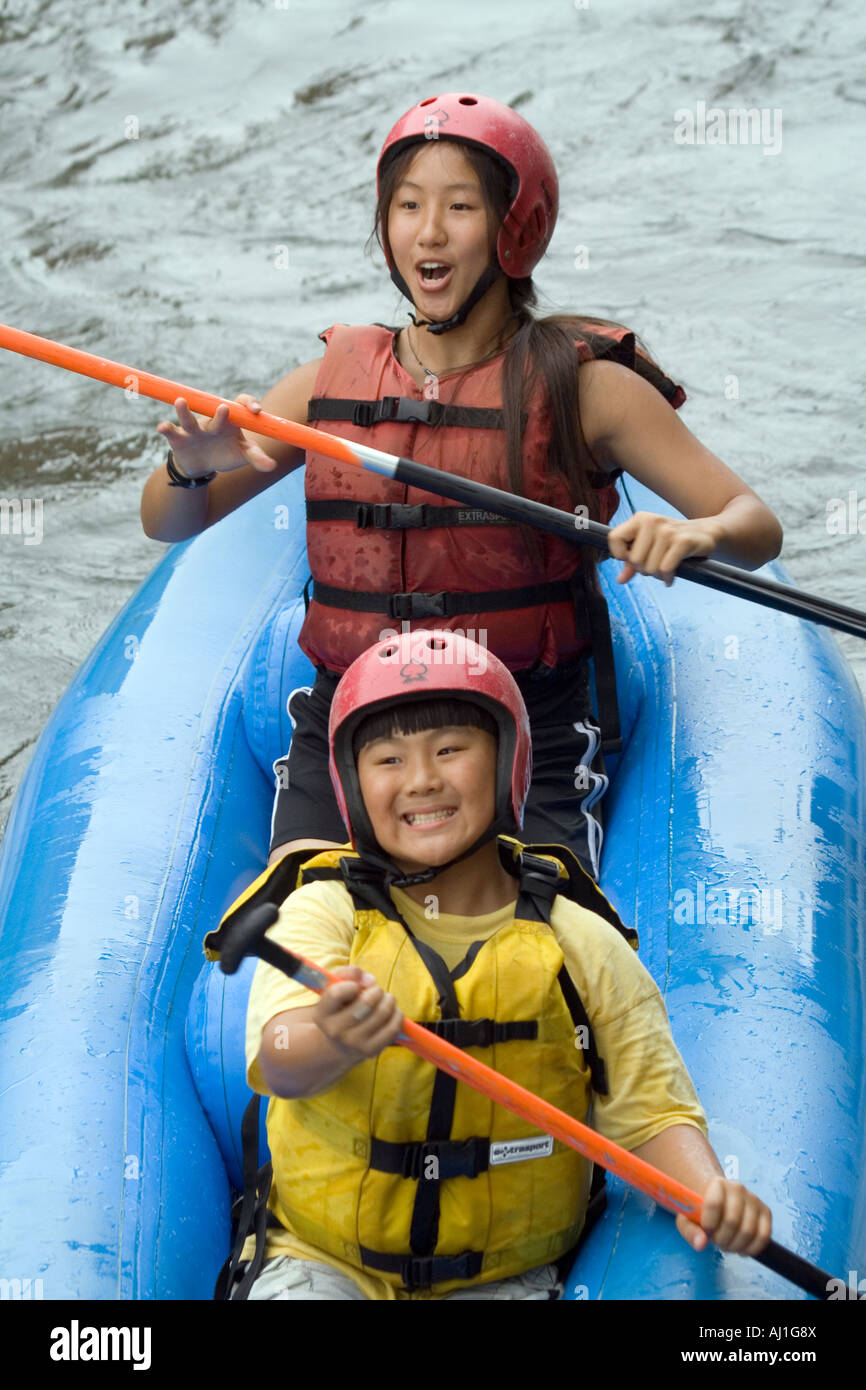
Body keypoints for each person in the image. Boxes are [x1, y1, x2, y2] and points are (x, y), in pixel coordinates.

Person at [142, 93, 783, 883]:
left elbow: (755, 523)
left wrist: (700, 535)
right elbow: (169, 523)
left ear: (516, 230)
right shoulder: (320, 388)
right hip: (355, 720)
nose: (429, 232)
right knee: (309, 934)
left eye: (459, 207)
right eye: (408, 206)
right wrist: (192, 468)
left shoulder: (589, 391)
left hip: (523, 724)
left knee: (535, 966)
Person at [212, 630, 772, 1301]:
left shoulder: (578, 940)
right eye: (388, 759)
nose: (421, 780)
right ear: (352, 788)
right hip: (322, 1261)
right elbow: (280, 1060)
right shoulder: (322, 913)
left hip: (505, 1277)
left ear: (508, 762)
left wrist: (707, 1191)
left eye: (450, 749)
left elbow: (651, 1111)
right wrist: (329, 1036)